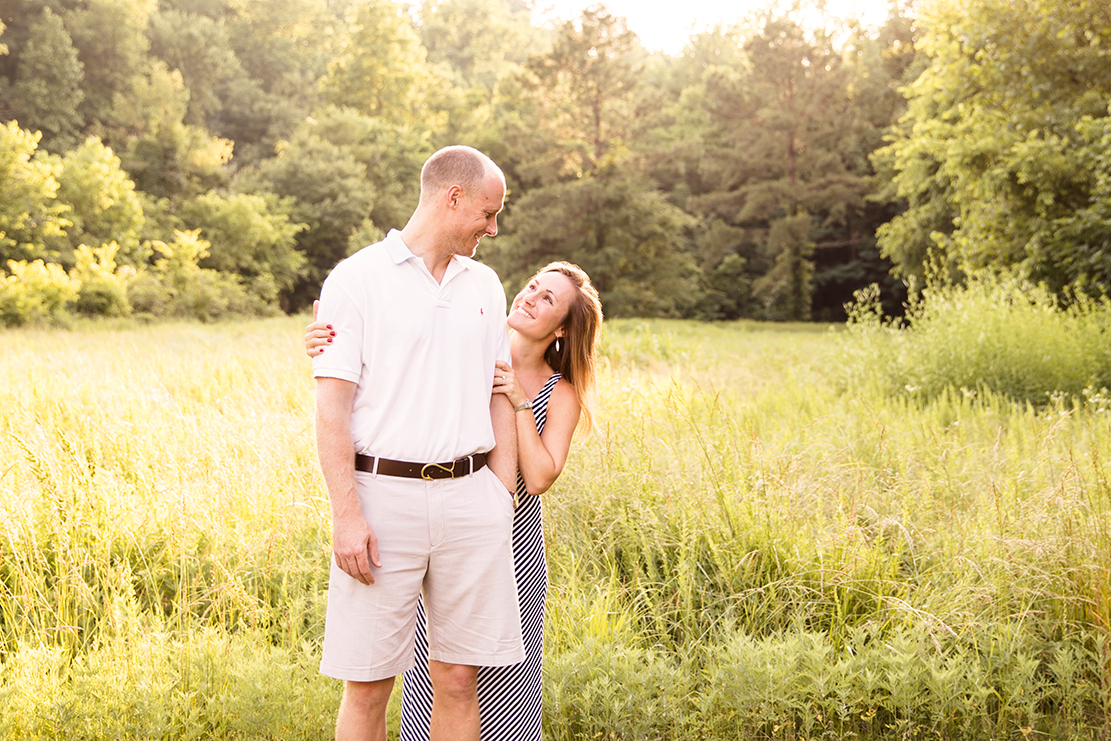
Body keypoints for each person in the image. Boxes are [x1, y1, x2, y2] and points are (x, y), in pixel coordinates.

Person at [306, 261, 603, 741]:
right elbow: (399, 364)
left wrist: (518, 401)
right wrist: (329, 340)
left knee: (499, 672)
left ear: (563, 330)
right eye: (532, 286)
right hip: (443, 522)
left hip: (514, 538)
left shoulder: (559, 392)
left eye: (548, 299)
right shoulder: (473, 347)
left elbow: (540, 476)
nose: (530, 297)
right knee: (434, 667)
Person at [312, 145, 524, 741]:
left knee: (459, 678)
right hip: (382, 501)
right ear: (453, 197)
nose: (493, 227)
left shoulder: (486, 284)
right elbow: (331, 409)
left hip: (472, 499)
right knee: (369, 684)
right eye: (488, 212)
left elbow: (498, 388)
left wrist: (500, 492)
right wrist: (347, 515)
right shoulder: (355, 279)